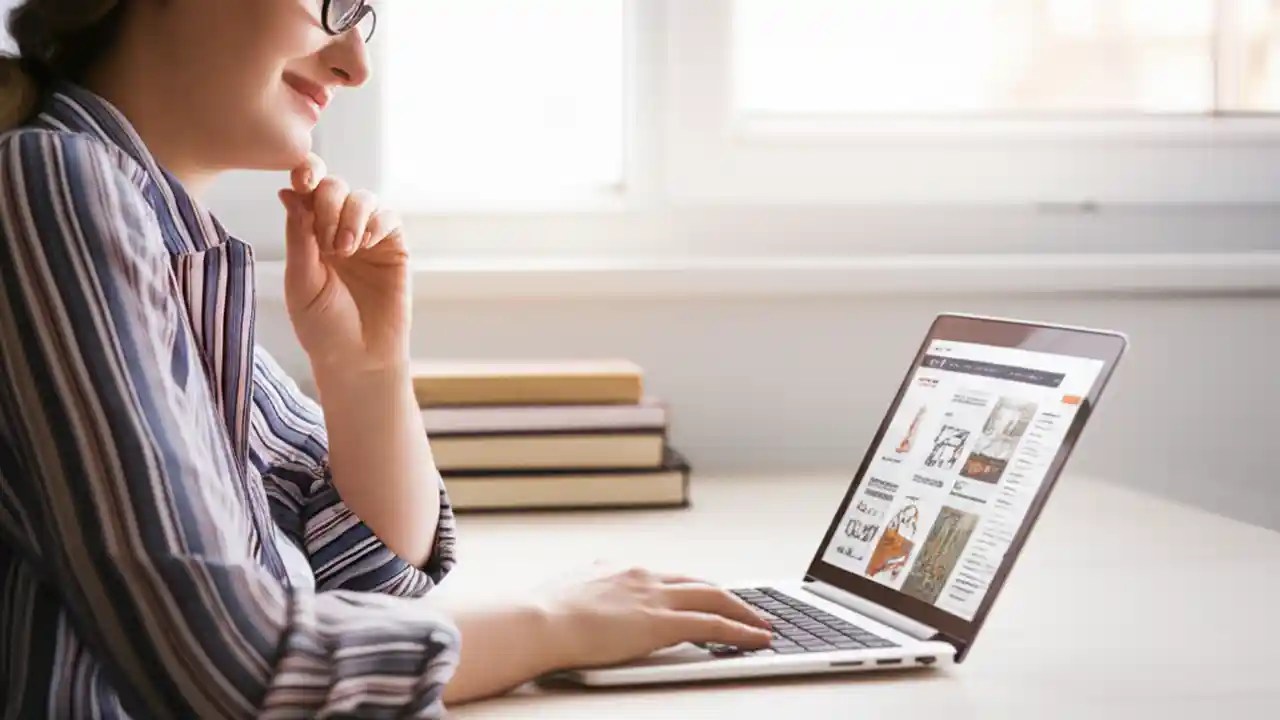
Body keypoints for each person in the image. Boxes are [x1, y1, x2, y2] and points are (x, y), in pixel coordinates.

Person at [0, 1, 772, 716]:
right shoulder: (52, 186)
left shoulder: (163, 242)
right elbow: (231, 666)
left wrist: (365, 368)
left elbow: (378, 583)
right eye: (332, 1)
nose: (352, 65)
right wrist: (555, 623)